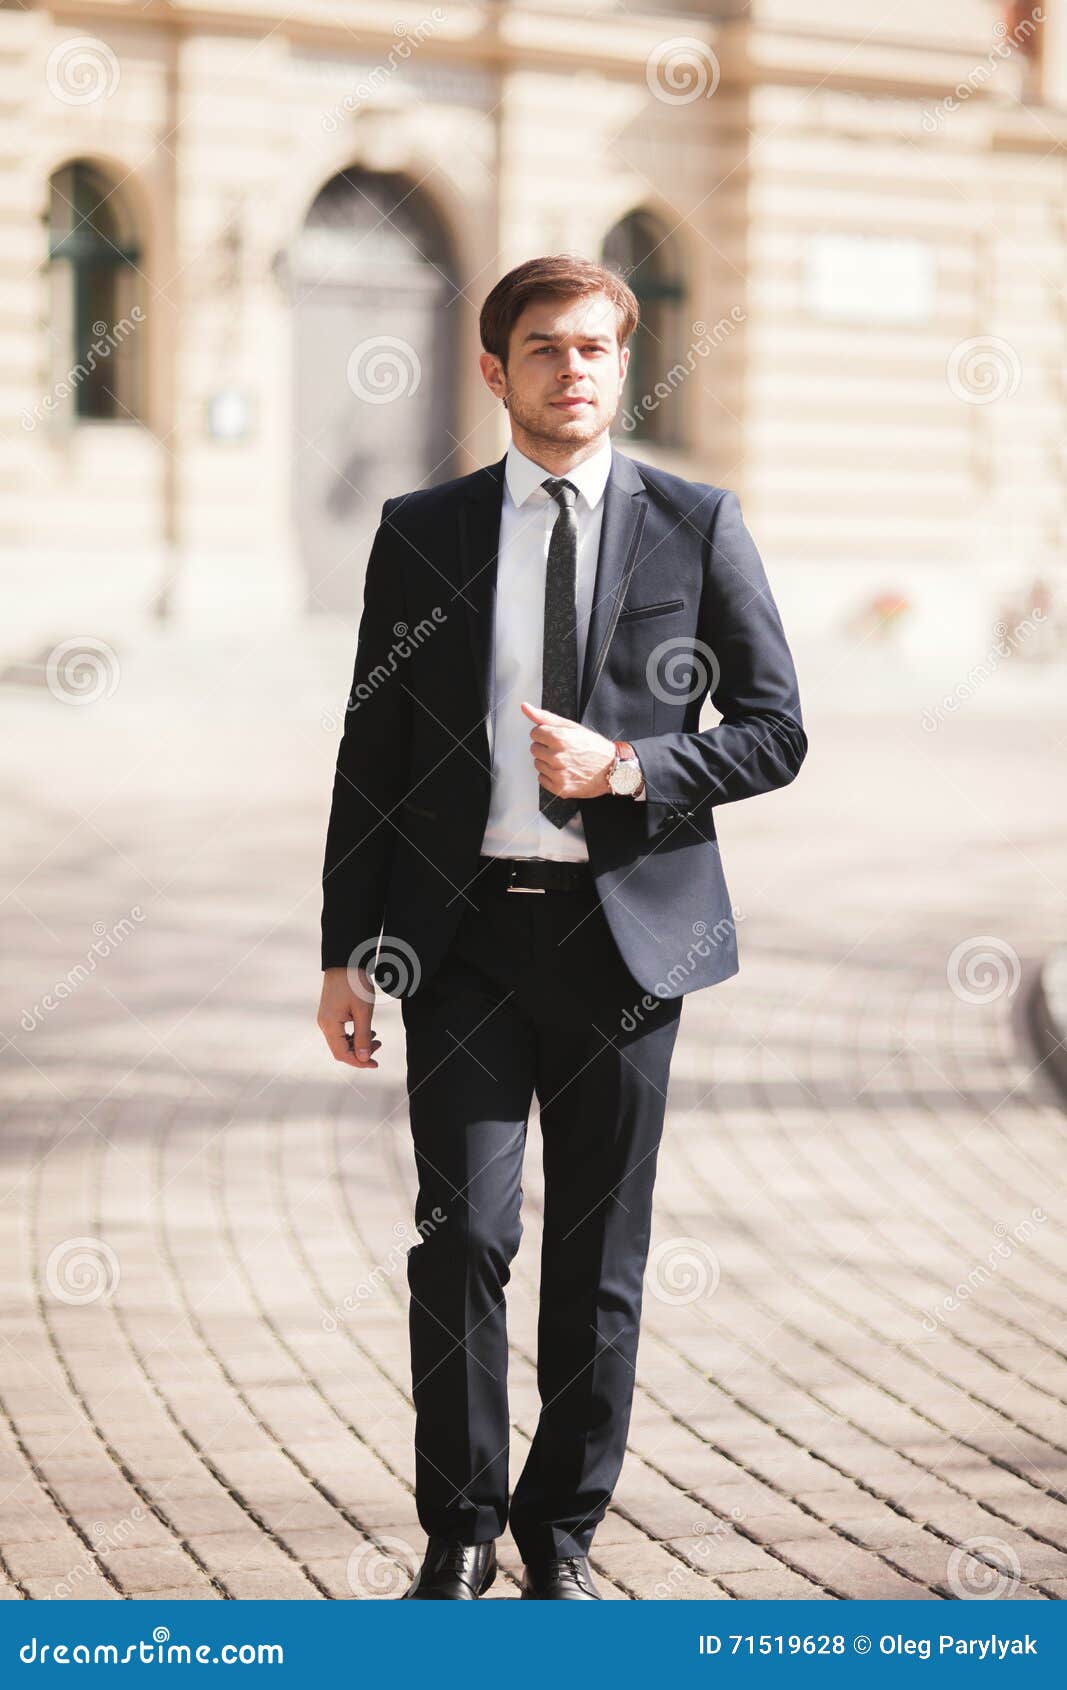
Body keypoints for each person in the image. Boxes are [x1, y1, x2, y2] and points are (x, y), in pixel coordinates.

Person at [317, 254, 807, 1600]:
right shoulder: (424, 531)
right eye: (544, 347)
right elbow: (372, 751)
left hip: (627, 947)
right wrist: (345, 949)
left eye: (595, 346)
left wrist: (633, 766)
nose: (573, 368)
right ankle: (462, 1524)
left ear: (623, 363)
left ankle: (562, 1528)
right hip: (463, 939)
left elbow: (776, 731)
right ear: (496, 370)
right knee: (464, 1235)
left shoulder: (696, 524)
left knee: (599, 1259)